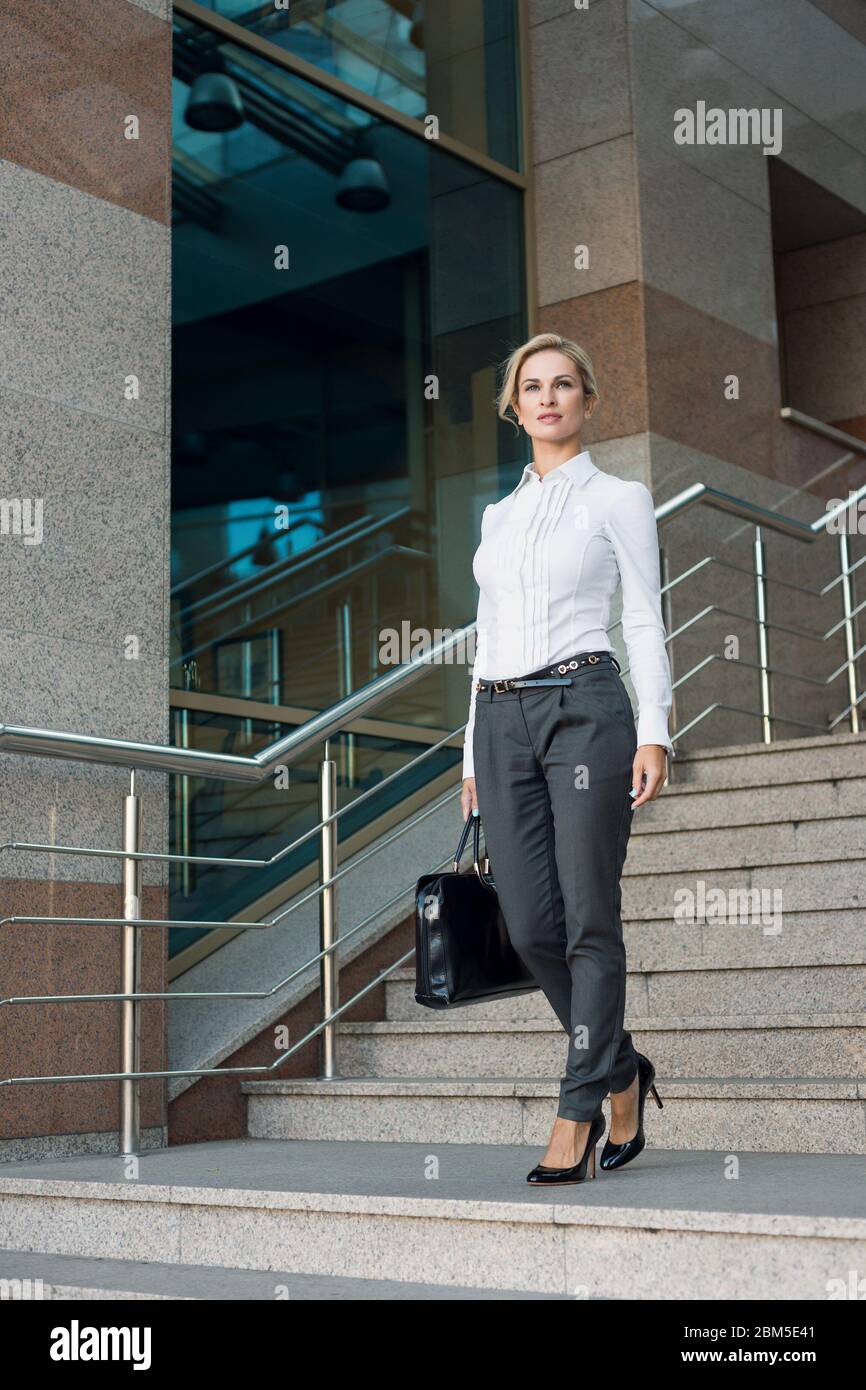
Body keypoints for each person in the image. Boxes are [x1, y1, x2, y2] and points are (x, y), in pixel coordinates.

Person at [460, 333, 672, 1184]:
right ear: (515, 406)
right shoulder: (496, 517)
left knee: (589, 916)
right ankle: (622, 1068)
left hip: (587, 707)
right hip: (500, 716)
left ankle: (577, 1109)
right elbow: (485, 641)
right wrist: (470, 754)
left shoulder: (620, 498)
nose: (548, 398)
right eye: (532, 386)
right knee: (531, 921)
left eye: (564, 385)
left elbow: (647, 619)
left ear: (587, 399)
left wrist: (654, 726)